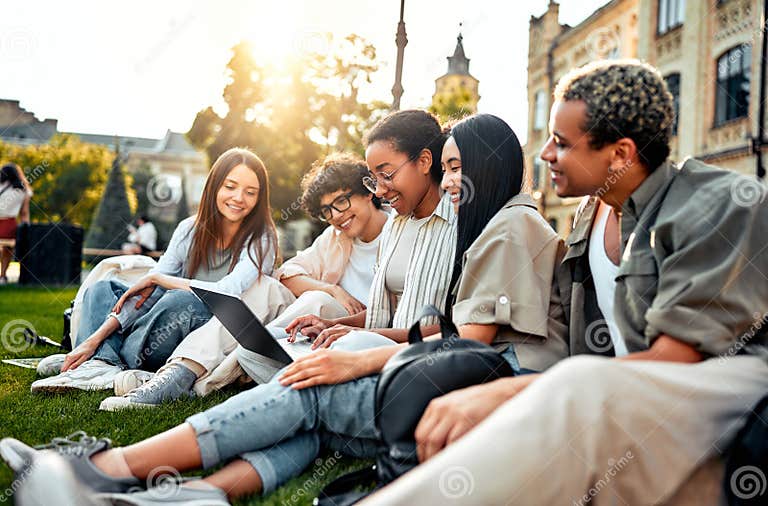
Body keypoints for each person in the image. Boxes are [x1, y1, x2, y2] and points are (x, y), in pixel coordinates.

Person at [0, 113, 570, 505]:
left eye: (452, 167)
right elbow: (446, 329)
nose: (449, 182)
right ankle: (197, 493)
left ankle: (104, 468)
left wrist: (357, 358)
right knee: (313, 409)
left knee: (309, 394)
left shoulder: (504, 226)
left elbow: (467, 341)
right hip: (444, 369)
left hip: (477, 385)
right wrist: (341, 327)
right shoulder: (472, 224)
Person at [350, 60, 768, 505]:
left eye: (562, 143)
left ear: (621, 154)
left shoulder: (714, 202)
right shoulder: (592, 214)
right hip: (621, 392)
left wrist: (512, 390)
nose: (545, 153)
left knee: (575, 386)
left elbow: (673, 360)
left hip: (728, 393)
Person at [98, 152, 391, 409]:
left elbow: (400, 315)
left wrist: (334, 304)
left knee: (314, 300)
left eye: (342, 201)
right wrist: (332, 288)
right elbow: (287, 274)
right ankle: (180, 372)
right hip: (311, 330)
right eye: (327, 210)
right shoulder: (334, 238)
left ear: (368, 191)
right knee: (265, 285)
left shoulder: (399, 234)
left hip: (361, 334)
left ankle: (194, 383)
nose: (337, 216)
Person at [30, 147, 278, 394]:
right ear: (214, 186)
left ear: (259, 198)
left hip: (203, 331)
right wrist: (92, 339)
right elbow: (150, 291)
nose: (238, 198)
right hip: (157, 319)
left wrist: (161, 278)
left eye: (250, 192)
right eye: (230, 186)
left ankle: (105, 361)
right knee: (103, 287)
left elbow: (228, 292)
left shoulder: (262, 239)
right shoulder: (189, 228)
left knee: (181, 299)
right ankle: (96, 359)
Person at [0, 163, 32, 284]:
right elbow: (24, 213)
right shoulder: (23, 190)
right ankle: (2, 276)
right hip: (9, 226)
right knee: (7, 250)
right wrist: (27, 229)